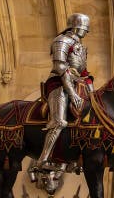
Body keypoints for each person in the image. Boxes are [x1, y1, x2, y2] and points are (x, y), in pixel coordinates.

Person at [31, 13, 92, 176]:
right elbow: (60, 67)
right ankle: (42, 160)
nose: (86, 33)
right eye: (85, 29)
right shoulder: (61, 41)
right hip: (58, 84)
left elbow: (84, 72)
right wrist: (72, 95)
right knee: (59, 121)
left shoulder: (80, 46)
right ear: (78, 27)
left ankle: (69, 159)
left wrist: (92, 96)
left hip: (77, 84)